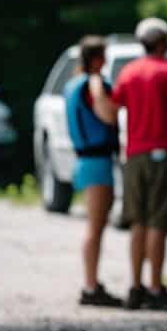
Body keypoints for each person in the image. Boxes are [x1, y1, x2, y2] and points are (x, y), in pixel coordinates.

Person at [92, 17, 167, 311]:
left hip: (134, 155)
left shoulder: (129, 72)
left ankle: (135, 287)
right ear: (165, 42)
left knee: (138, 220)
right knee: (159, 222)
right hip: (165, 153)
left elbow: (111, 112)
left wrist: (97, 89)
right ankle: (156, 287)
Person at [63, 36, 123, 307]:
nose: (107, 62)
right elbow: (108, 115)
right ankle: (90, 285)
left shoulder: (72, 85)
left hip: (86, 160)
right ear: (96, 59)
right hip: (96, 162)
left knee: (95, 225)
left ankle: (92, 282)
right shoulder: (92, 85)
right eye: (104, 57)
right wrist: (100, 84)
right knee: (95, 227)